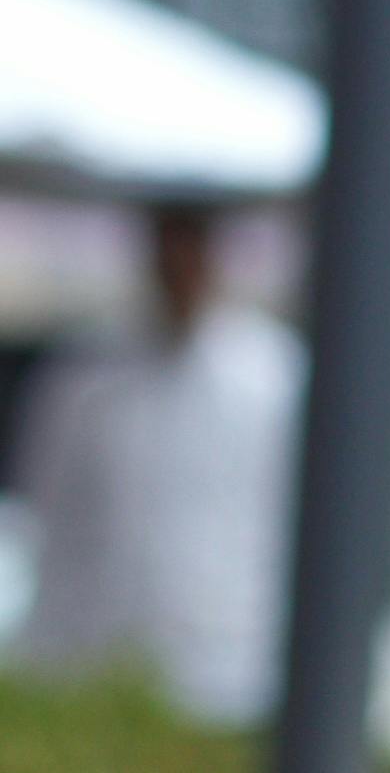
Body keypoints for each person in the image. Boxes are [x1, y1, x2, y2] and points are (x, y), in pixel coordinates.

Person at [9, 199, 305, 725]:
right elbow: (50, 520)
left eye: (192, 248)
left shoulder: (274, 378)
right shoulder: (85, 379)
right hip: (95, 666)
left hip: (231, 673)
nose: (180, 267)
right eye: (171, 248)